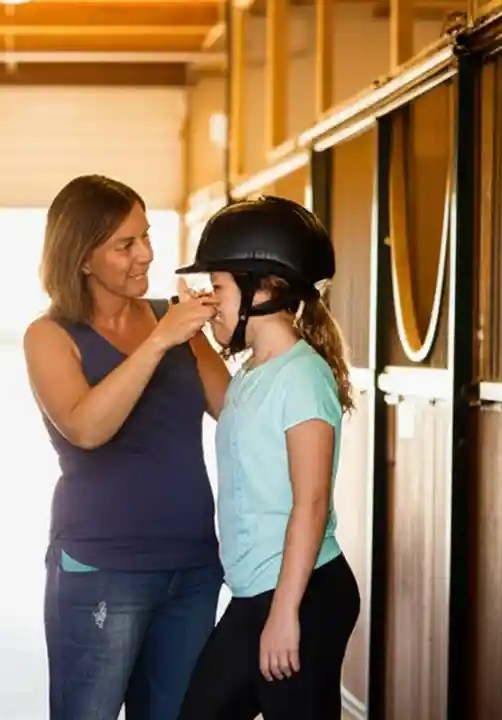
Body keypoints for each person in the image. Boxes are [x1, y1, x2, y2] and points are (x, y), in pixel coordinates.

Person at [24, 174, 232, 720]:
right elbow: (87, 428)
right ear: (83, 257)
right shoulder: (49, 336)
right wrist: (162, 341)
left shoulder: (175, 321)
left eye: (146, 236)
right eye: (126, 244)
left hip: (191, 567)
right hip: (102, 566)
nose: (146, 254)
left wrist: (239, 327)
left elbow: (232, 412)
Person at [174, 195, 361, 720]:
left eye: (218, 289)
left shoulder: (302, 377)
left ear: (264, 290)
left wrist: (284, 614)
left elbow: (312, 502)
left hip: (300, 594)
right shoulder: (256, 374)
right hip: (260, 593)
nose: (211, 304)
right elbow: (226, 404)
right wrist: (186, 330)